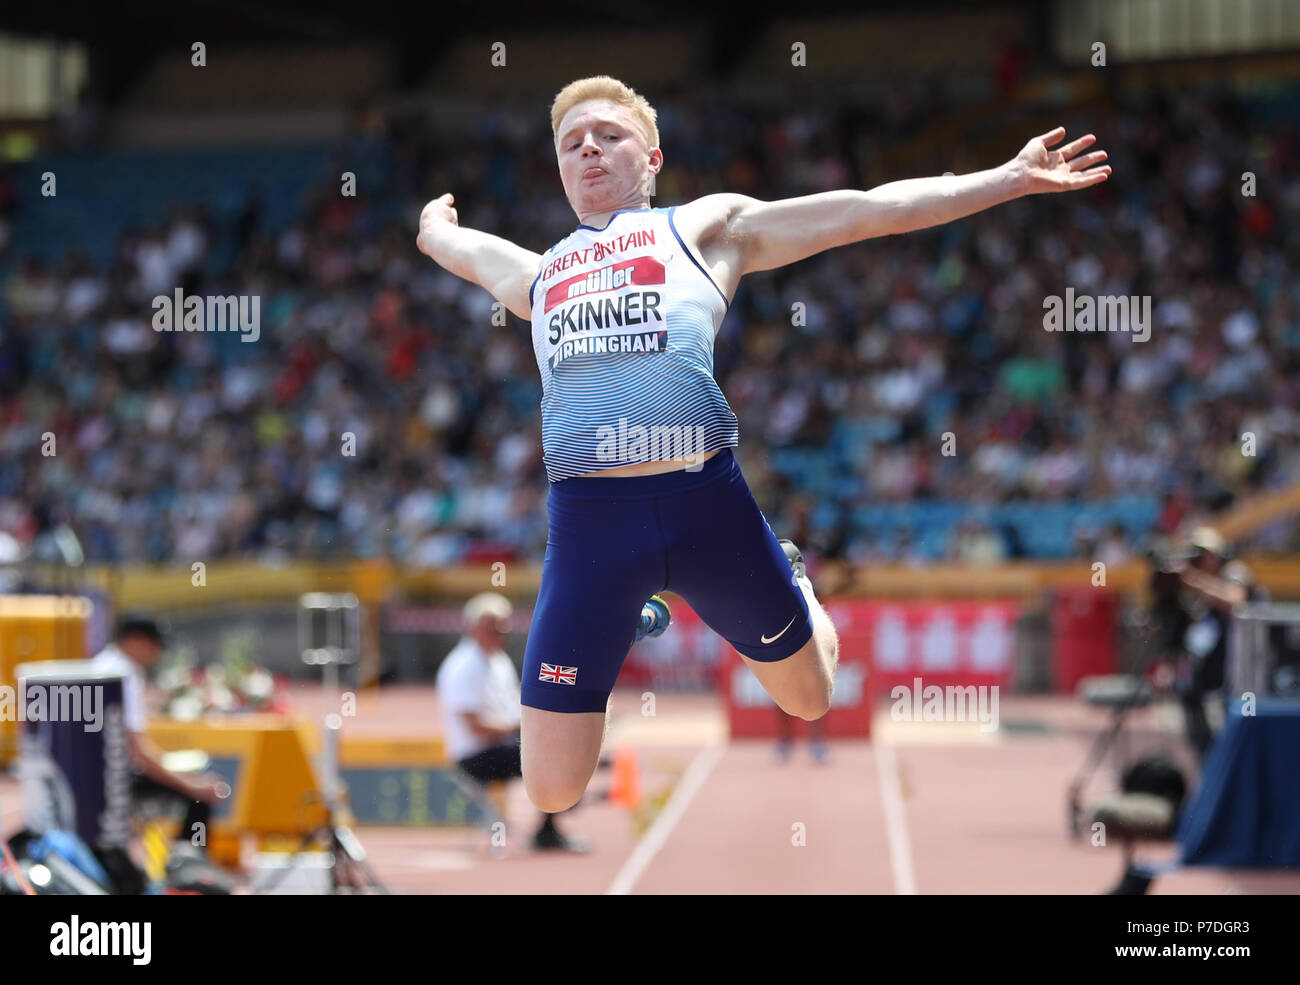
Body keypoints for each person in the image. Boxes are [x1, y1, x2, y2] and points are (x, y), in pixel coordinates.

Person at [416, 75, 1110, 813]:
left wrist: (1004, 179)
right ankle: (623, 619)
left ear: (652, 158)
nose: (589, 147)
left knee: (811, 697)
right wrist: (433, 229)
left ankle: (794, 581)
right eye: (571, 142)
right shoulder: (543, 276)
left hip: (704, 506)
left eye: (609, 135)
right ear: (559, 168)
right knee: (552, 789)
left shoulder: (706, 228)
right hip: (590, 528)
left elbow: (865, 212)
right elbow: (461, 250)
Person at [437, 592, 586, 852]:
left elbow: (516, 710)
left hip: (499, 746)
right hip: (476, 757)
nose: (499, 633)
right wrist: (524, 728)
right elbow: (476, 728)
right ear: (472, 627)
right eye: (492, 627)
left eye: (502, 628)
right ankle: (548, 828)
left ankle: (553, 820)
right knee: (556, 757)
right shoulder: (462, 666)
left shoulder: (498, 661)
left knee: (563, 749)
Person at [90, 615, 227, 859]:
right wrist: (192, 785)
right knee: (198, 799)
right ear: (135, 641)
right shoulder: (122, 674)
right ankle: (188, 870)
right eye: (155, 645)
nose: (158, 653)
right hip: (112, 778)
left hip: (96, 773)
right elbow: (138, 754)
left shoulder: (103, 664)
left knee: (190, 782)